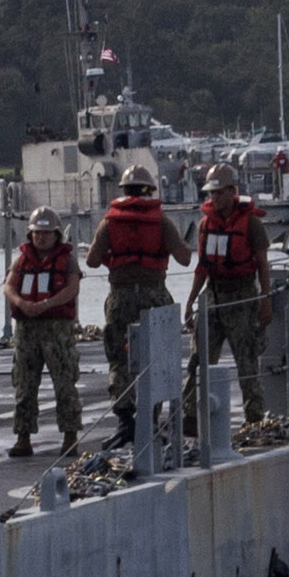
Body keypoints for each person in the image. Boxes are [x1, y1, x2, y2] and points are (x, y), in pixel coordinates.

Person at [85, 163, 192, 450]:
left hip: (120, 298)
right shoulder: (161, 222)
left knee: (120, 359)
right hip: (154, 296)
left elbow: (92, 261)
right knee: (156, 360)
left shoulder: (109, 222)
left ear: (123, 190)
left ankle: (125, 423)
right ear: (149, 190)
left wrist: (117, 259)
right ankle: (151, 423)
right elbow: (184, 258)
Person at [190, 166, 273, 430]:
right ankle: (190, 418)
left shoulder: (251, 224)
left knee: (247, 360)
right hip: (213, 295)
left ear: (231, 191)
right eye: (211, 193)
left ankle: (254, 419)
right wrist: (191, 301)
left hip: (242, 296)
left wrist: (265, 299)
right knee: (199, 358)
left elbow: (262, 263)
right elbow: (201, 267)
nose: (214, 198)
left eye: (218, 192)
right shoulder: (206, 224)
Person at [3, 206, 82, 458]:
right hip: (26, 329)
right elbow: (8, 286)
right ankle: (23, 437)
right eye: (37, 233)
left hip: (57, 329)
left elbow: (72, 288)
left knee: (64, 383)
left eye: (47, 233)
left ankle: (70, 436)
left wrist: (47, 304)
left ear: (57, 235)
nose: (41, 238)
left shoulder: (67, 260)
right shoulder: (22, 260)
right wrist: (21, 303)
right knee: (24, 384)